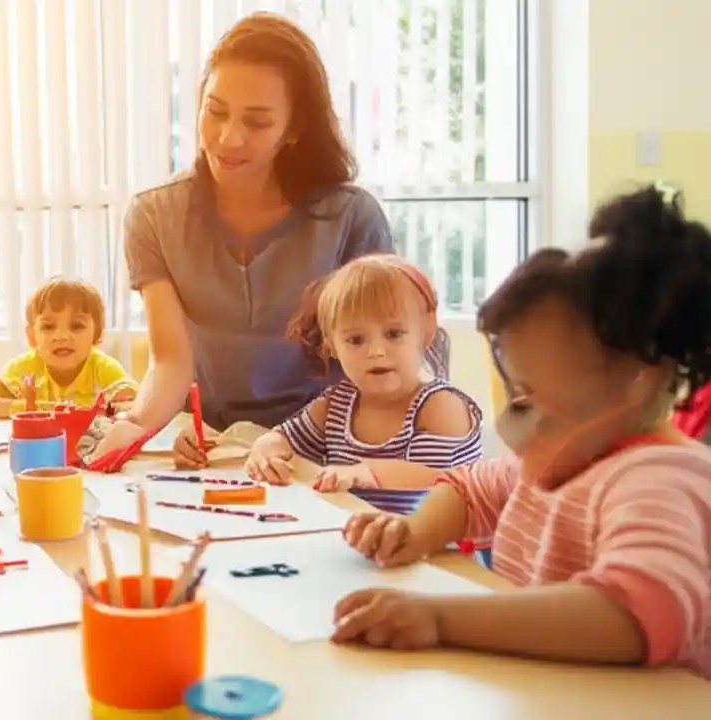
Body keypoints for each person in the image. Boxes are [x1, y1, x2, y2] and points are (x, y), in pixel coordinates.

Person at [336, 186, 711, 677]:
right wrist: (413, 533)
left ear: (637, 377)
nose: (522, 414)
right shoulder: (565, 454)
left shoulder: (657, 479)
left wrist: (438, 616)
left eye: (533, 393)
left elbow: (636, 611)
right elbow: (469, 490)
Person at [88, 12, 395, 467]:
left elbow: (384, 361)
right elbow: (172, 361)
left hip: (330, 445)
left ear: (293, 130)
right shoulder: (154, 216)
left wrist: (295, 438)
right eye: (215, 112)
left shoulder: (351, 218)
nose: (228, 138)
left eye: (257, 123)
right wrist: (134, 425)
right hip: (215, 444)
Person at [244, 254, 482, 489]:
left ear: (426, 332)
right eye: (356, 339)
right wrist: (266, 451)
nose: (376, 351)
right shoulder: (336, 405)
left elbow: (436, 479)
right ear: (332, 346)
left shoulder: (440, 405)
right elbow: (283, 438)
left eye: (394, 334)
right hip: (358, 526)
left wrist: (363, 473)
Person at [0, 277, 137, 415]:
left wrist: (113, 407)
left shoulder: (103, 369)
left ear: (98, 333)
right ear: (32, 335)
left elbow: (136, 405)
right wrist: (29, 407)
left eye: (77, 326)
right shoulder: (24, 369)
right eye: (48, 327)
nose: (61, 336)